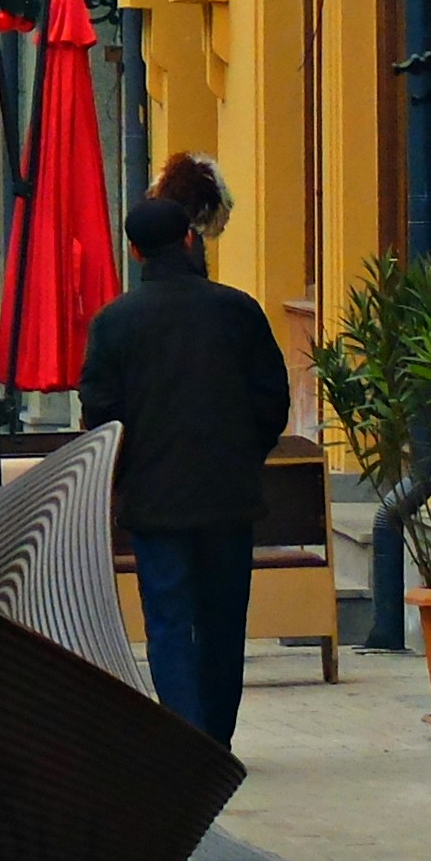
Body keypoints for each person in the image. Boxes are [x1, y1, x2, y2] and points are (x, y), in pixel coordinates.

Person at [80, 192, 294, 749]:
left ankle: (184, 739)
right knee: (224, 620)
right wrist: (246, 451)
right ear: (189, 239)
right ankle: (217, 739)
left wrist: (124, 472)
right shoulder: (237, 309)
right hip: (228, 493)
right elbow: (272, 396)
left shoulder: (115, 322)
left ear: (134, 251)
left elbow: (102, 416)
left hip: (154, 499)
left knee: (169, 620)